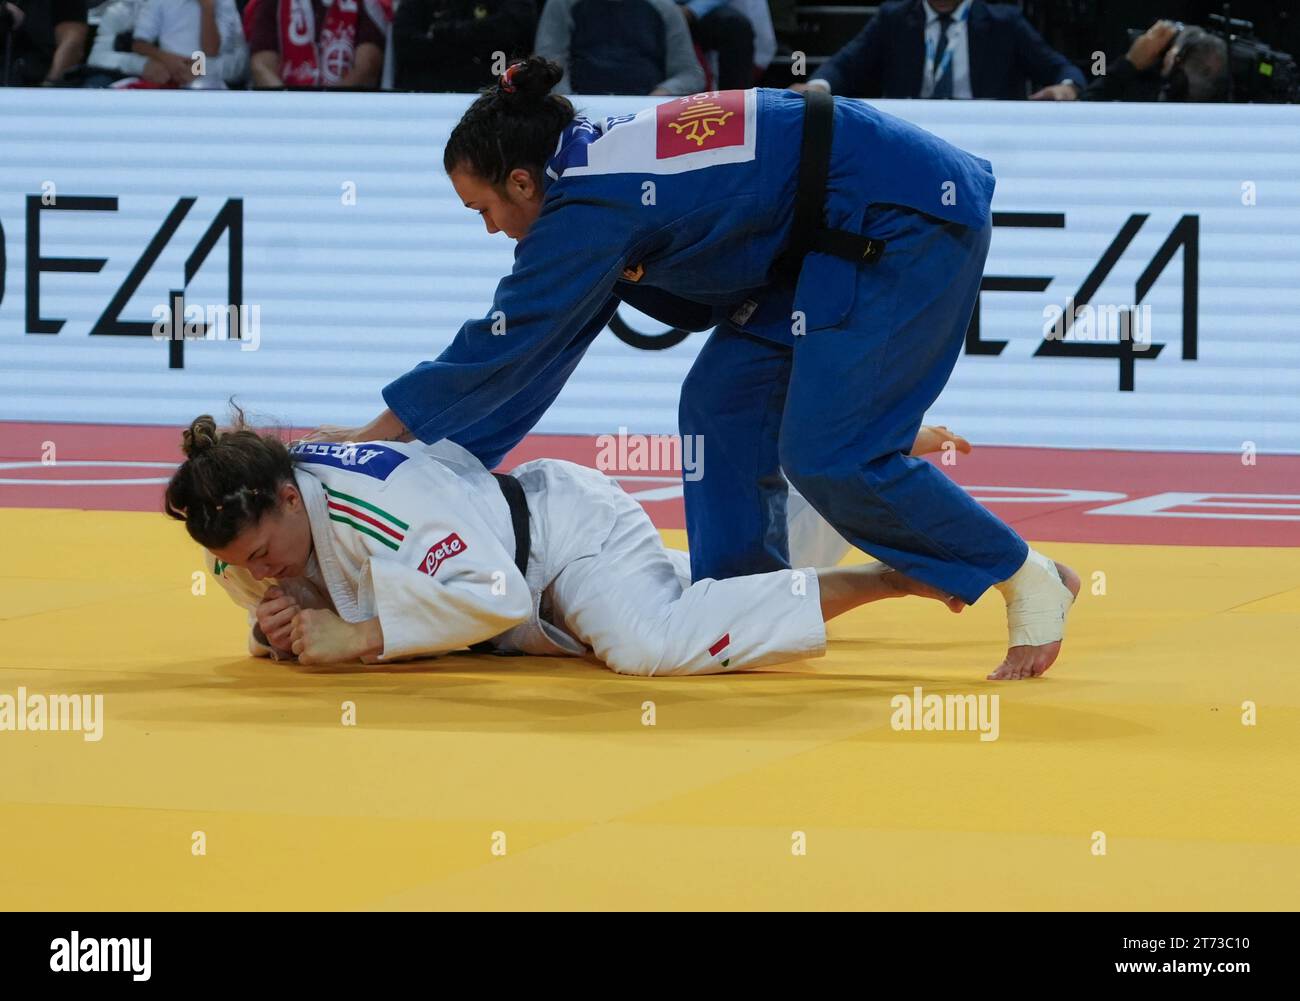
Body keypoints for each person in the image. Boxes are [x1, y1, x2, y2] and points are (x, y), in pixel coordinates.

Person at [303, 57, 1080, 681]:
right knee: (721, 403)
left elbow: (503, 345)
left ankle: (1025, 576)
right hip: (820, 236)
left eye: (485, 210)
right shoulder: (584, 169)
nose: (492, 229)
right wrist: (437, 452)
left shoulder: (587, 205)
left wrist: (379, 444)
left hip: (896, 217)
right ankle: (745, 605)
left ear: (521, 181)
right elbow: (547, 348)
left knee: (831, 453)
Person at [164, 414, 997, 675]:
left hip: (562, 539)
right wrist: (273, 626)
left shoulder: (379, 503)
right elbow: (286, 592)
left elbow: (493, 593)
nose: (252, 570)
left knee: (649, 644)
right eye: (237, 563)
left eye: (261, 550)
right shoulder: (243, 531)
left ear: (287, 494)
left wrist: (363, 634)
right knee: (707, 587)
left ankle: (892, 577)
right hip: (528, 572)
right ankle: (828, 477)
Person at [792, 0, 1084, 101]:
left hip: (986, 138)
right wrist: (818, 85)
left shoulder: (1004, 22)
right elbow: (845, 65)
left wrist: (1067, 88)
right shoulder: (893, 18)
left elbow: (1060, 68)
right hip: (913, 136)